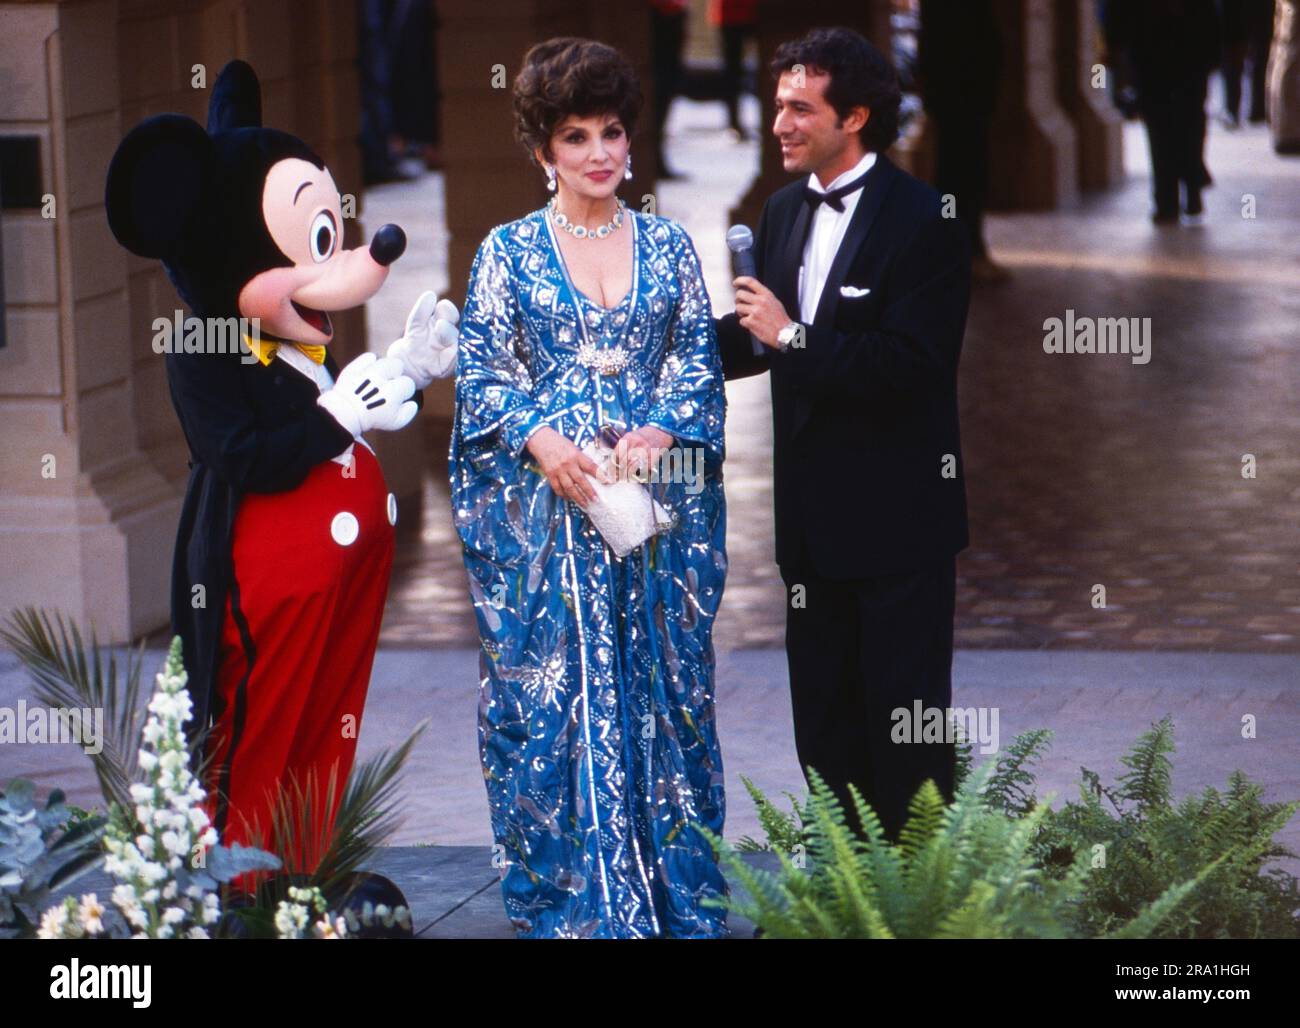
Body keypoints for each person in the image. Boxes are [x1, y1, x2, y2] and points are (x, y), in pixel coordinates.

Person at [450, 37, 730, 938]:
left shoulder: (670, 245)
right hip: (549, 523)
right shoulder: (506, 251)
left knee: (669, 693)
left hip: (655, 520)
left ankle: (676, 894)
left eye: (612, 131)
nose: (600, 153)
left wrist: (663, 430)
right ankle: (576, 901)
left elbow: (698, 361)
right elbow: (482, 375)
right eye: (575, 136)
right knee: (552, 699)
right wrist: (539, 441)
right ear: (542, 150)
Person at [716, 27, 971, 843]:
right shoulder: (784, 210)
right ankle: (845, 895)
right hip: (811, 540)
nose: (780, 123)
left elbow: (913, 365)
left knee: (906, 737)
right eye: (778, 105)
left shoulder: (927, 217)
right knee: (824, 734)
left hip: (900, 534)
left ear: (853, 116)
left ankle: (917, 906)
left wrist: (793, 337)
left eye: (800, 108)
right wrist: (652, 349)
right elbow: (760, 337)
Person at [1103, 0, 1221, 224]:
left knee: (1163, 129)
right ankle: (1189, 183)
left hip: (1156, 51)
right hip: (1180, 50)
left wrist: (1114, 45)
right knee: (1186, 123)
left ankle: (1170, 198)